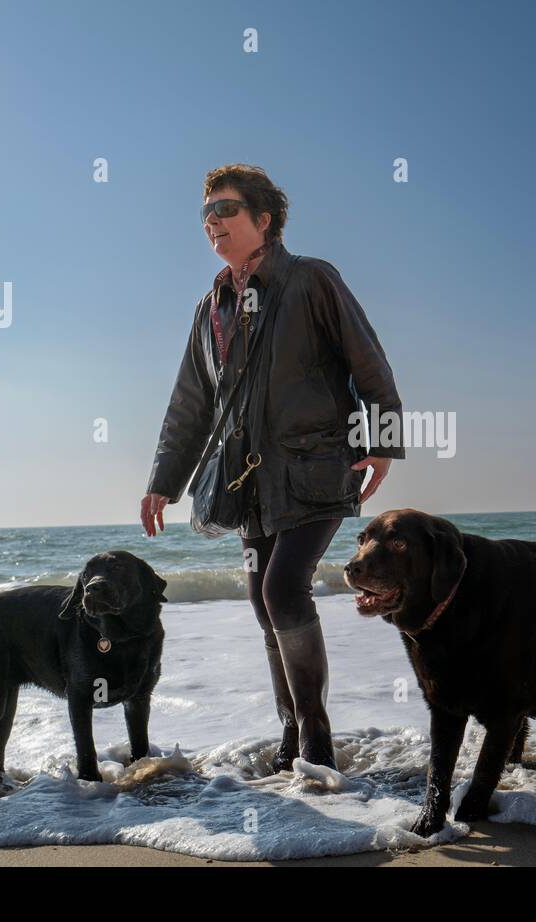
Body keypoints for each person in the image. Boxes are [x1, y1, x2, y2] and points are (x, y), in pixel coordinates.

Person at [140, 164, 405, 772]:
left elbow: (371, 364)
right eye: (206, 213)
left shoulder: (312, 280)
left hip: (317, 469)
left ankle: (316, 740)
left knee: (284, 588)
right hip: (249, 485)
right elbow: (190, 404)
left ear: (264, 220)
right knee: (264, 603)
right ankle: (290, 736)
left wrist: (383, 440)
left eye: (227, 210)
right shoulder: (211, 308)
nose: (213, 222)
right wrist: (163, 481)